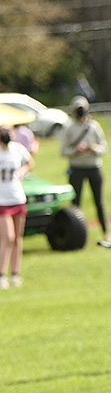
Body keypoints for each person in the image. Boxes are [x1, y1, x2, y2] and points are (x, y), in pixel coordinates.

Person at [60, 96, 111, 242]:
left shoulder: (94, 126)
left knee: (99, 202)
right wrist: (75, 151)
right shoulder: (69, 128)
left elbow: (104, 148)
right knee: (75, 203)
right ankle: (75, 235)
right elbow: (63, 151)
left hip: (94, 167)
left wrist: (94, 148)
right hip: (77, 168)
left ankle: (106, 233)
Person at [0, 124, 35, 289]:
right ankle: (2, 274)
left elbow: (30, 162)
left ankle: (15, 274)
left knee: (17, 239)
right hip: (2, 200)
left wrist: (22, 170)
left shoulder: (17, 149)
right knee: (8, 237)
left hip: (17, 197)